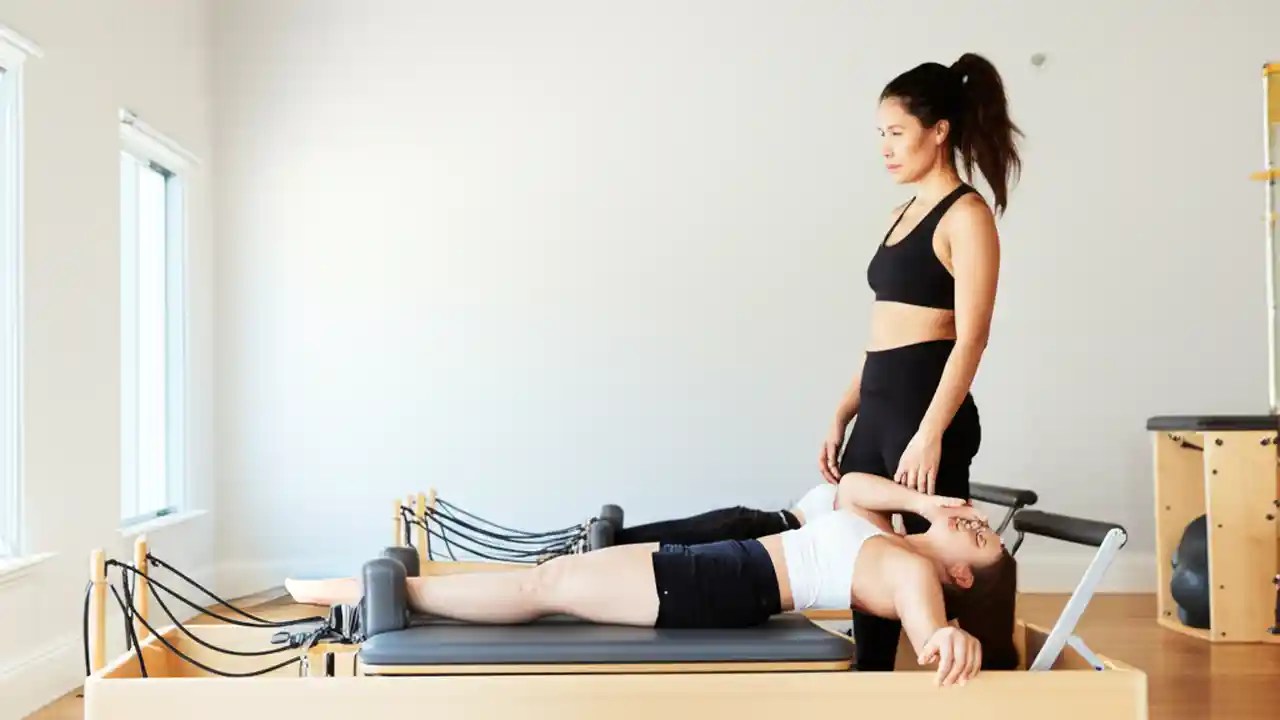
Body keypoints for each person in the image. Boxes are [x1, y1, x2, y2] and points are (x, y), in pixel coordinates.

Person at [286, 472, 1016, 687]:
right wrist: (923, 501)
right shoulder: (882, 530)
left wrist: (947, 638)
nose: (971, 515)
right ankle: (372, 595)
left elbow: (929, 631)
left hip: (721, 587)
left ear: (956, 572)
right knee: (549, 582)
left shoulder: (904, 571)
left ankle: (378, 599)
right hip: (724, 574)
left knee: (548, 589)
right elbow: (856, 483)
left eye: (977, 537)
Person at [817, 52, 1022, 671]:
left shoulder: (967, 215)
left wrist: (930, 435)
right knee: (868, 561)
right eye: (880, 133)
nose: (885, 146)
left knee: (940, 568)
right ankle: (871, 687)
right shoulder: (900, 212)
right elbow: (883, 333)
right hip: (878, 410)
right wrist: (841, 411)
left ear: (939, 132)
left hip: (922, 415)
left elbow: (971, 338)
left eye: (897, 132)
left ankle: (984, 681)